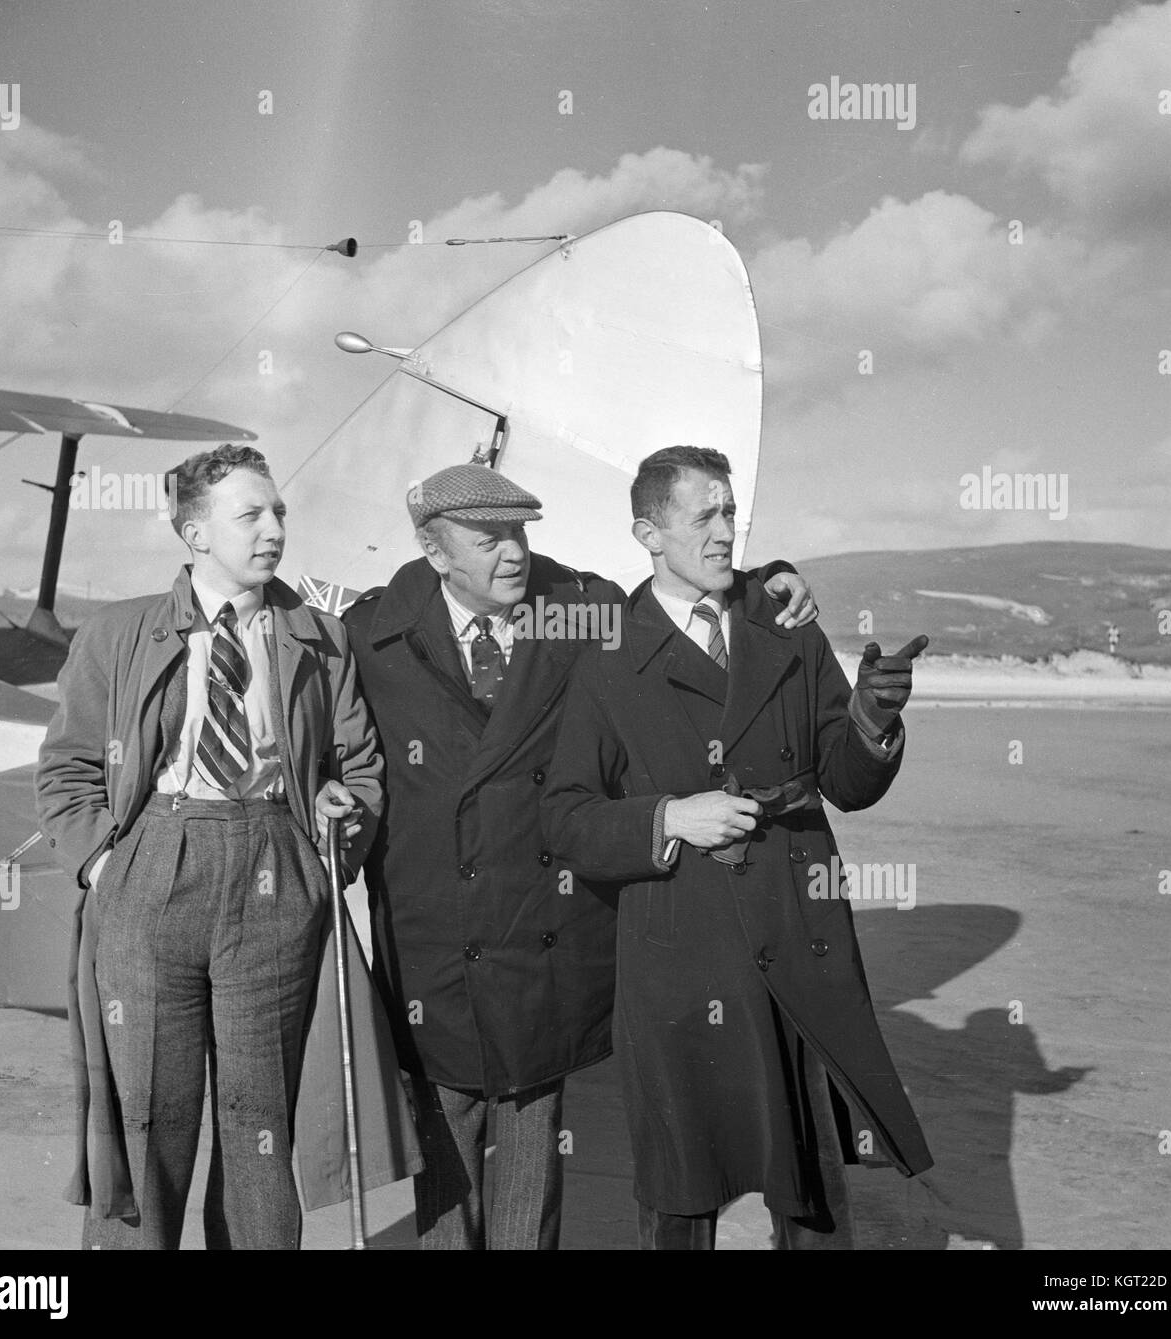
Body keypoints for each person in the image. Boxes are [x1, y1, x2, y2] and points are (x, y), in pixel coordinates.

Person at [319, 461, 817, 1249]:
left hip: (541, 930)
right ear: (432, 547)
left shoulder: (575, 610)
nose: (512, 553)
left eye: (520, 532)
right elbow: (329, 742)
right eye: (488, 540)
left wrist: (765, 584)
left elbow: (675, 607)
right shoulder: (371, 633)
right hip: (432, 934)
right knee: (443, 1150)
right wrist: (328, 796)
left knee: (531, 1139)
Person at [542, 444, 933, 1250]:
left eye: (730, 512)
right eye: (704, 516)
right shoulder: (609, 657)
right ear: (648, 532)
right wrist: (669, 817)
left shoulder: (786, 627)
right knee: (684, 1190)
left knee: (811, 1185)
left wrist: (872, 720)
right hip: (681, 954)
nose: (726, 531)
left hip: (798, 934)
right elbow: (566, 819)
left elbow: (847, 782)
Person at [36, 443, 418, 1250]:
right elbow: (68, 766)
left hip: (277, 871)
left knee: (259, 1122)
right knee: (147, 1116)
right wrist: (109, 864)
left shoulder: (321, 637)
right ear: (195, 532)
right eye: (251, 514)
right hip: (152, 870)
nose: (274, 527)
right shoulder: (119, 632)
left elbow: (358, 764)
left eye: (279, 511)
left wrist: (338, 812)